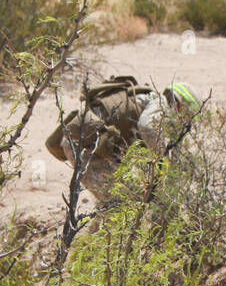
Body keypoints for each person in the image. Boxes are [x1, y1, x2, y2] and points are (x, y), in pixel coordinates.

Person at [46, 78, 201, 205]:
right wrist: (164, 162)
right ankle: (97, 242)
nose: (183, 121)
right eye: (186, 115)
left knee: (122, 199)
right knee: (118, 203)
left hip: (87, 144)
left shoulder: (145, 100)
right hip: (85, 147)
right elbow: (146, 127)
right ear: (180, 105)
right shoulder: (160, 104)